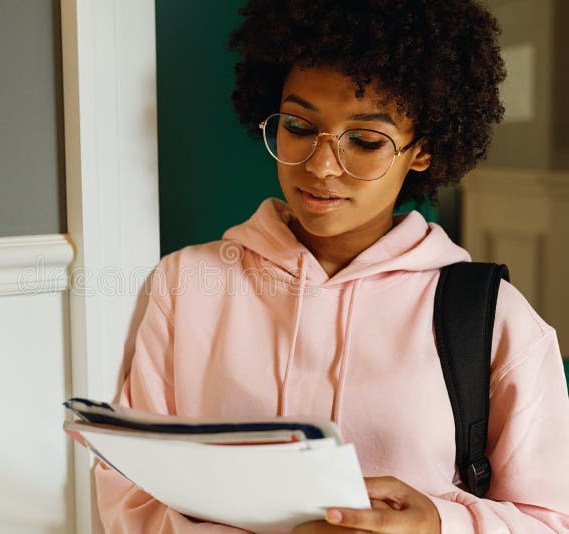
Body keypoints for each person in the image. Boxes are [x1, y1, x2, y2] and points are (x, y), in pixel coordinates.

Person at [94, 1, 569, 532]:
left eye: (365, 141)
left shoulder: (491, 319)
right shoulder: (184, 287)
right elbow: (126, 493)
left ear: (423, 150)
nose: (320, 166)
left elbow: (550, 520)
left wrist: (438, 524)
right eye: (298, 126)